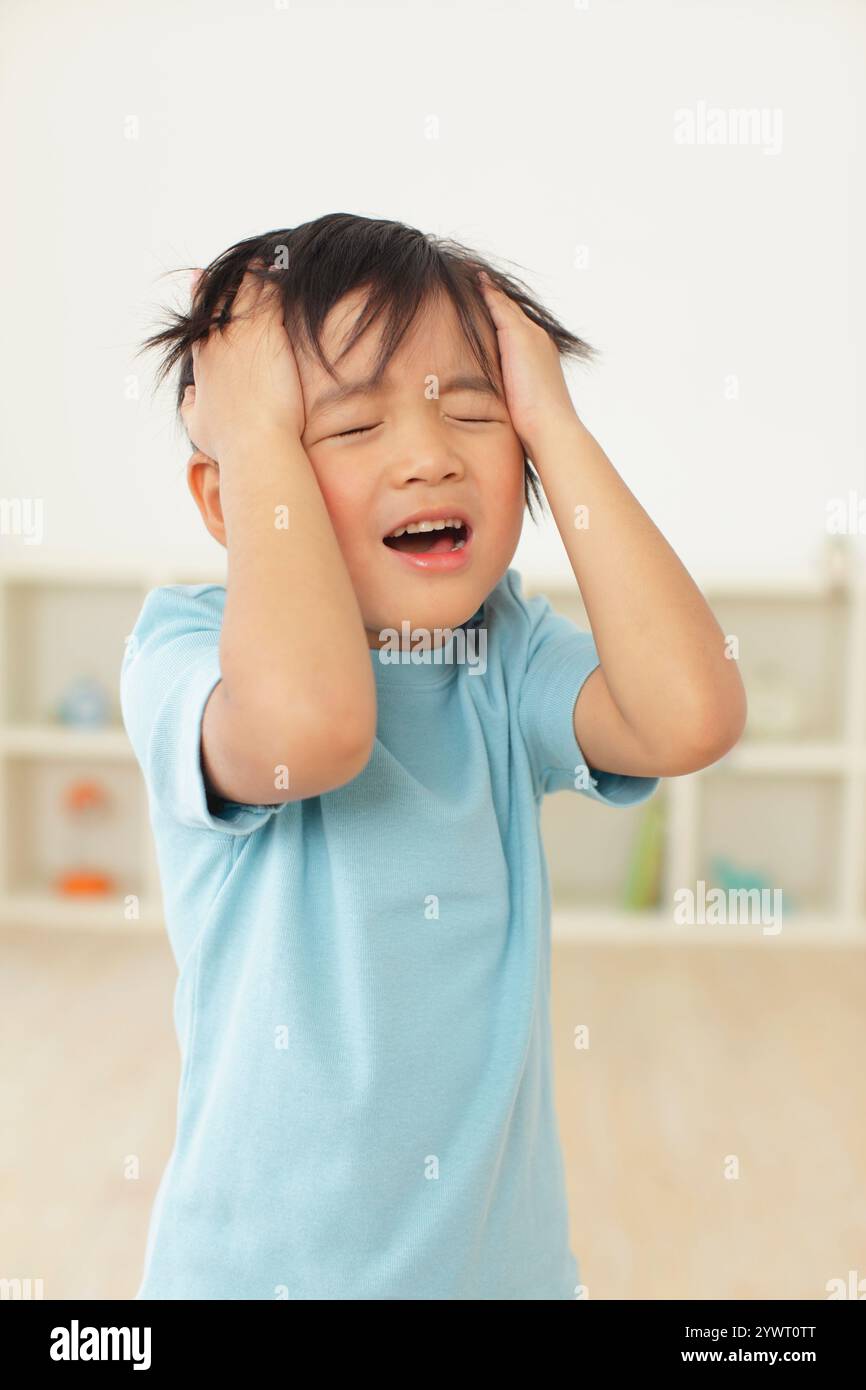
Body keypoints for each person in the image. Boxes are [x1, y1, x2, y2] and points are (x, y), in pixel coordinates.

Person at [121, 212, 746, 1299]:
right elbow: (312, 729)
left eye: (472, 410)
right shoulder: (184, 650)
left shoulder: (500, 652)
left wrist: (552, 417)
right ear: (230, 495)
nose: (427, 454)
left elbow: (687, 713)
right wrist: (256, 427)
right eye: (350, 429)